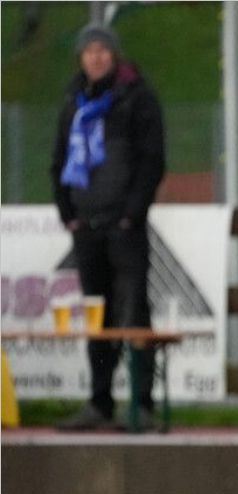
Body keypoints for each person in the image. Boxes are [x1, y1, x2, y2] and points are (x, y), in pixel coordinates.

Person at [51, 23, 165, 431]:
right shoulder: (74, 102)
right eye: (89, 51)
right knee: (96, 319)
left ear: (113, 55)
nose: (96, 57)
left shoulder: (137, 98)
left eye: (103, 50)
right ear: (81, 57)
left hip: (124, 227)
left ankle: (142, 404)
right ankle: (99, 402)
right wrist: (69, 215)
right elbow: (59, 160)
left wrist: (131, 214)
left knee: (134, 314)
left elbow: (152, 161)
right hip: (87, 227)